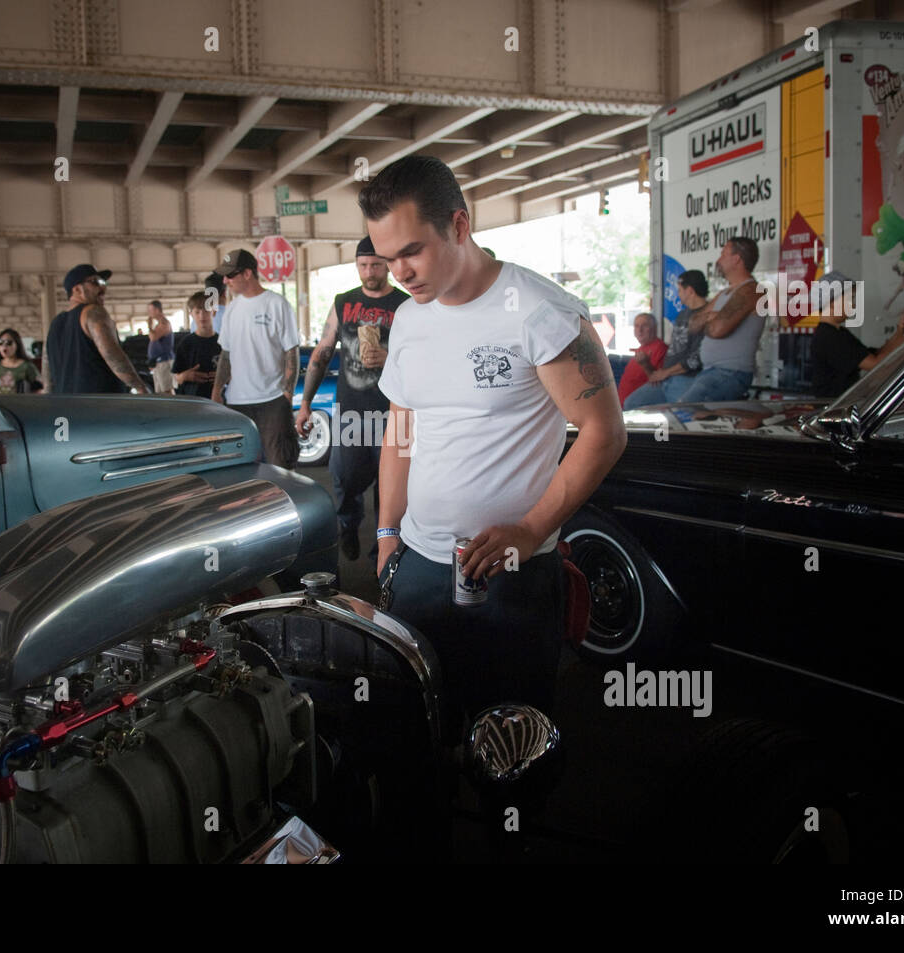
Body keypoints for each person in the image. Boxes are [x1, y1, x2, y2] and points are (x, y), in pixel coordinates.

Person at [361, 155, 627, 723]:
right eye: (388, 258)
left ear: (459, 225)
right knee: (421, 726)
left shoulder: (541, 312)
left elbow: (604, 433)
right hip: (417, 566)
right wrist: (387, 536)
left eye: (412, 251)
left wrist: (531, 532)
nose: (400, 272)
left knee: (511, 740)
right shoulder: (410, 319)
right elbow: (401, 430)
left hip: (512, 572)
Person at [296, 235, 409, 561]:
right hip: (351, 412)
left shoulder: (405, 304)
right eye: (362, 265)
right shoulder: (343, 302)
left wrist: (389, 358)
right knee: (344, 477)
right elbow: (322, 352)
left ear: (386, 263)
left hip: (393, 413)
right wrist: (305, 404)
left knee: (391, 485)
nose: (369, 271)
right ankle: (348, 525)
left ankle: (383, 554)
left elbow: (423, 357)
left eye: (375, 264)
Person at [210, 248, 301, 470]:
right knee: (241, 468)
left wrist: (287, 394)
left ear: (248, 273)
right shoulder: (232, 309)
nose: (225, 281)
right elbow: (226, 354)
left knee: (281, 465)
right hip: (237, 402)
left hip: (272, 401)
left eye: (230, 275)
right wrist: (217, 390)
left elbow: (292, 351)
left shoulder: (277, 304)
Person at [676, 238, 766, 404]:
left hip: (730, 373)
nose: (718, 260)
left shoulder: (751, 290)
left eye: (723, 254)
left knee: (685, 411)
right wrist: (714, 316)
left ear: (737, 258)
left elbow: (718, 330)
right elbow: (693, 324)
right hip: (712, 372)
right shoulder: (725, 293)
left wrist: (711, 318)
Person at [46, 263, 150, 395]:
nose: (103, 287)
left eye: (103, 282)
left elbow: (47, 374)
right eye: (95, 282)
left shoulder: (54, 324)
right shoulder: (93, 312)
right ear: (77, 289)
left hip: (66, 406)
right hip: (100, 404)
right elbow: (112, 355)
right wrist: (140, 387)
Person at [810, 282, 904, 397]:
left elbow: (876, 355)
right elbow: (877, 366)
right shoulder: (830, 337)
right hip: (835, 409)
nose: (853, 305)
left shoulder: (837, 332)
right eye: (849, 299)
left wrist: (900, 332)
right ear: (832, 303)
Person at [624, 270, 709, 408]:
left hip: (687, 379)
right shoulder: (683, 314)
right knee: (631, 404)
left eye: (680, 290)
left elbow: (697, 358)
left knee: (680, 417)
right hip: (667, 378)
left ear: (690, 291)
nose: (678, 293)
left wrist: (666, 372)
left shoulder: (707, 315)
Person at [172, 291, 222, 398]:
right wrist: (186, 376)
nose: (202, 316)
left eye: (206, 311)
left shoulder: (223, 342)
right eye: (197, 312)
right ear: (191, 315)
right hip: (192, 401)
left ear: (214, 312)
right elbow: (176, 378)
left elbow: (235, 374)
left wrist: (223, 376)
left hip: (219, 401)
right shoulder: (186, 344)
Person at [617, 312, 668, 407]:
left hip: (635, 409)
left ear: (654, 328)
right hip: (620, 407)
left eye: (644, 325)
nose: (639, 330)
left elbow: (657, 383)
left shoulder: (661, 348)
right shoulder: (641, 349)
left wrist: (645, 364)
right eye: (636, 326)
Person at [0, 328, 41, 394]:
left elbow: (39, 390)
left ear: (17, 344)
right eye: (0, 343)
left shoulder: (27, 366)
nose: (4, 346)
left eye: (8, 343)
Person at [146, 299, 174, 395]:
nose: (149, 313)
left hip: (164, 361)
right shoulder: (159, 325)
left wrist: (149, 326)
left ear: (157, 310)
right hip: (158, 362)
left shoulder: (164, 324)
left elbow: (153, 337)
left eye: (151, 310)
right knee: (161, 391)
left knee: (167, 389)